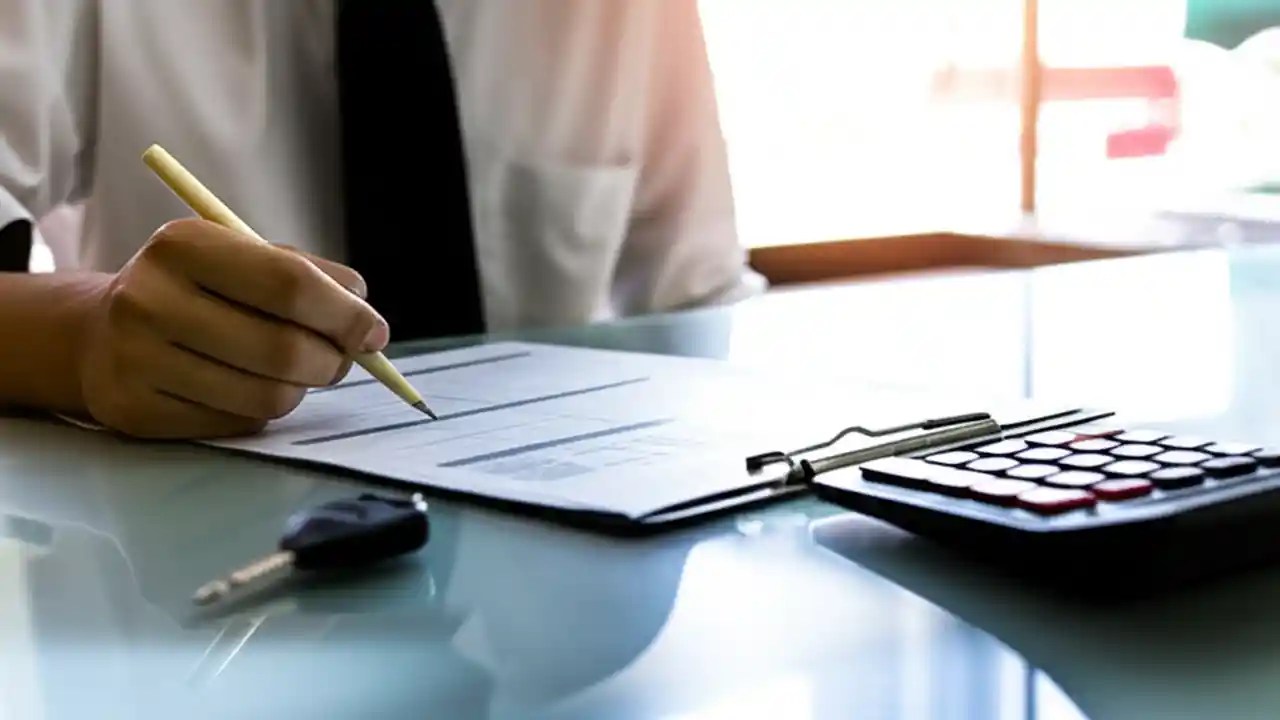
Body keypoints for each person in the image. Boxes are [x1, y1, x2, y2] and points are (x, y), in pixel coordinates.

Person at [0, 0, 763, 439]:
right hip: (205, 594)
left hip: (569, 582)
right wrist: (81, 337)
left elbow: (699, 297)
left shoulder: (627, 16)